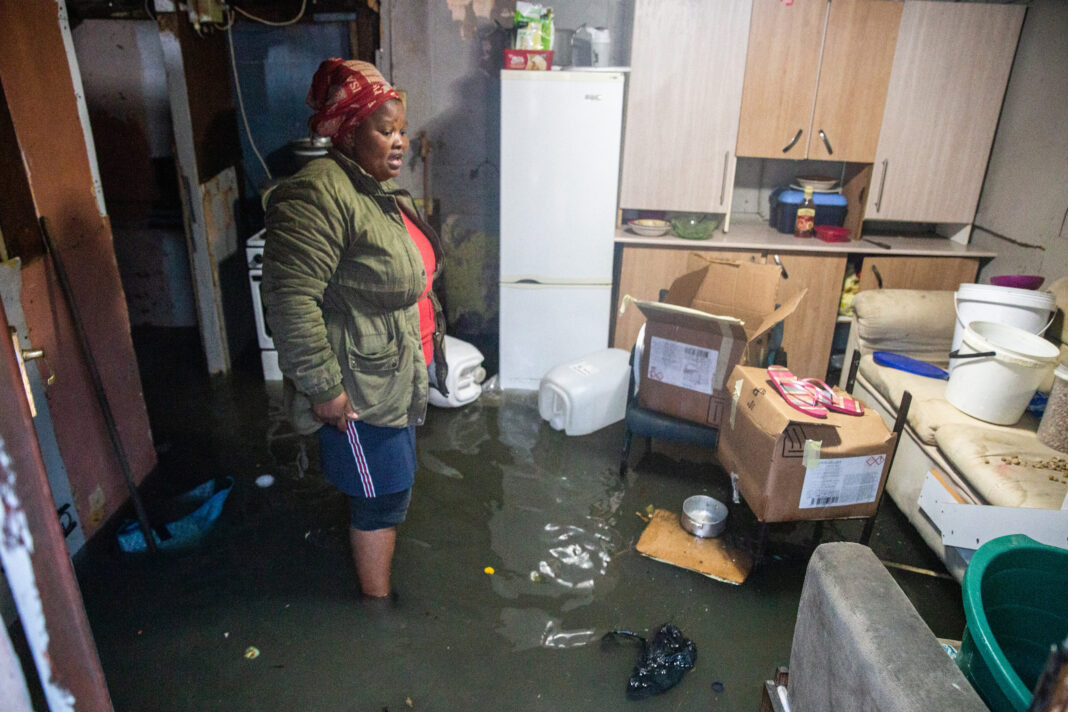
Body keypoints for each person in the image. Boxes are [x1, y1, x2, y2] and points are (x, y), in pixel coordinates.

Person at [261, 58, 447, 602]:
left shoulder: (370, 186)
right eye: (383, 129)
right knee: (379, 501)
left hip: (391, 368)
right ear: (347, 130)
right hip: (358, 388)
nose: (400, 143)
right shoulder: (320, 193)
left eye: (402, 130)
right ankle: (378, 614)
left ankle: (378, 583)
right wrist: (325, 388)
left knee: (390, 488)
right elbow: (290, 299)